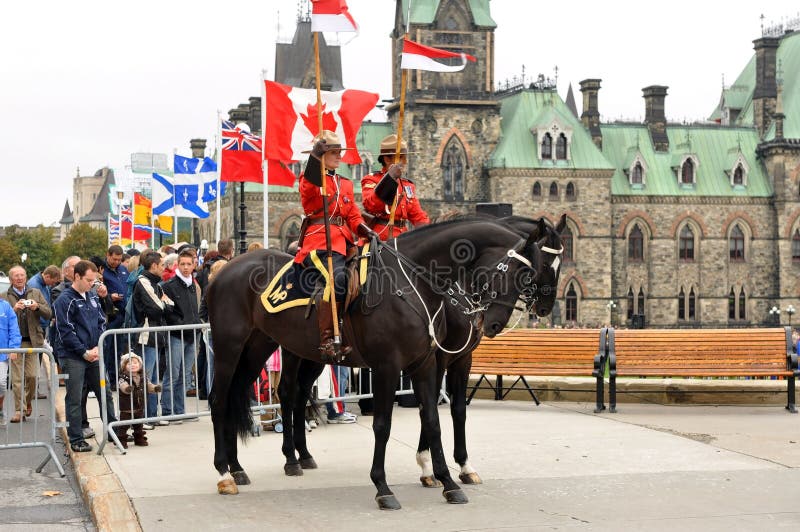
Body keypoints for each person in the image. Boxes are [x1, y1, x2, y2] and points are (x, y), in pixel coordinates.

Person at [296, 130, 375, 362]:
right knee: (337, 278)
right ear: (323, 155)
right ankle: (328, 339)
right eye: (333, 152)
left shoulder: (345, 184)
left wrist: (364, 229)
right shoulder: (310, 180)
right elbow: (308, 189)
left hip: (343, 243)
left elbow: (352, 215)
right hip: (319, 241)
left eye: (340, 152)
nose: (339, 156)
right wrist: (314, 157)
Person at [53, 260, 118, 452]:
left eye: (95, 280)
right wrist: (83, 351)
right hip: (73, 356)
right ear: (77, 277)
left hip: (93, 352)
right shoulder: (64, 300)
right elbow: (65, 330)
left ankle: (112, 429)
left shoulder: (92, 296)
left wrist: (97, 347)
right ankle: (76, 438)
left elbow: (101, 322)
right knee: (75, 397)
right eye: (89, 280)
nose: (92, 284)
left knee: (104, 393)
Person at [131, 251, 174, 424]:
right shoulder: (143, 281)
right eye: (162, 265)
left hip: (157, 336)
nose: (164, 268)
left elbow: (171, 305)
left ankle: (152, 416)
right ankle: (143, 417)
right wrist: (163, 304)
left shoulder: (157, 284)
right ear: (154, 265)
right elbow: (158, 307)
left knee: (155, 378)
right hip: (146, 336)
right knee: (145, 378)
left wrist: (164, 304)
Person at [5, 265, 51, 423]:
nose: (19, 278)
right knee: (17, 379)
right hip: (14, 343)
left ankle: (27, 401)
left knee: (32, 376)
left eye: (22, 275)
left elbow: (48, 312)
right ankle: (19, 410)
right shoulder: (4, 296)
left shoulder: (35, 292)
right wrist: (13, 309)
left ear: (26, 277)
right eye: (16, 276)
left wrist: (36, 306)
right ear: (11, 279)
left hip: (32, 341)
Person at [361, 133, 430, 240]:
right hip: (380, 237)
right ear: (387, 159)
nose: (405, 162)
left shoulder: (407, 185)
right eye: (401, 157)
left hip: (403, 238)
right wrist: (390, 179)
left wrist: (430, 231)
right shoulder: (371, 179)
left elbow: (418, 215)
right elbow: (371, 205)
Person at [160, 248, 201, 422]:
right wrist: (181, 324)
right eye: (182, 264)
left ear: (193, 265)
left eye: (188, 264)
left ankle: (180, 409)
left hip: (193, 334)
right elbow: (168, 311)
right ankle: (169, 411)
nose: (185, 267)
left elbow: (197, 307)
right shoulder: (168, 286)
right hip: (177, 335)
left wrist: (198, 324)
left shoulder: (194, 284)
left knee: (185, 375)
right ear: (178, 264)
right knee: (173, 373)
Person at [115, 352, 162, 448]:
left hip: (139, 405)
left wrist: (154, 388)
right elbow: (122, 386)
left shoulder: (143, 377)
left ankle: (139, 438)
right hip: (127, 406)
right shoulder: (123, 378)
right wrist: (127, 388)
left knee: (138, 424)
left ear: (140, 365)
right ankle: (121, 440)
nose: (133, 365)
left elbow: (148, 385)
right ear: (124, 366)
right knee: (124, 425)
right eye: (129, 363)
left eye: (135, 363)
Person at [102, 245, 129, 387]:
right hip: (109, 315)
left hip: (122, 316)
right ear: (108, 255)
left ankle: (114, 381)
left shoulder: (123, 270)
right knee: (106, 350)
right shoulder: (102, 271)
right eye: (114, 259)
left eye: (119, 259)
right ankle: (104, 380)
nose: (116, 262)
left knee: (117, 350)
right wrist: (109, 297)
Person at [0, 297, 22, 424]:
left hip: (2, 354)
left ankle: (0, 406)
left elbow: (13, 328)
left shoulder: (6, 306)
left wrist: (14, 348)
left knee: (1, 382)